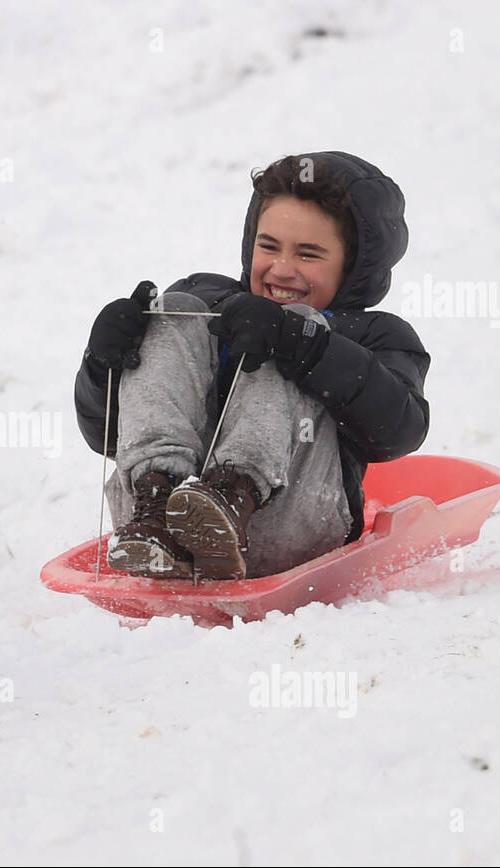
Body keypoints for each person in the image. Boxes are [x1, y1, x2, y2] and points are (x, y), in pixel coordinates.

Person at [74, 151, 430, 581]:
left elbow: (398, 430)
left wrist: (310, 347)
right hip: (153, 527)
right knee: (171, 312)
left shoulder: (376, 335)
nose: (282, 269)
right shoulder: (207, 299)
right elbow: (107, 435)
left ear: (353, 266)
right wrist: (103, 365)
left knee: (294, 326)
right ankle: (157, 497)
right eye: (269, 246)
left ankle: (232, 495)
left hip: (292, 527)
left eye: (308, 254)